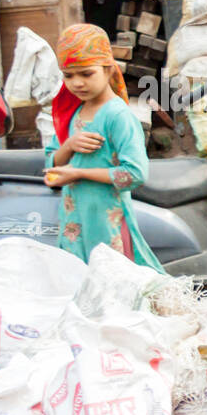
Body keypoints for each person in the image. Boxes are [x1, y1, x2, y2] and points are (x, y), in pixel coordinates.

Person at [42, 24, 164, 272]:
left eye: (86, 74)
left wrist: (79, 173)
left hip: (108, 223)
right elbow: (51, 171)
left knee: (115, 290)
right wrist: (68, 145)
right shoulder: (73, 112)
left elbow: (135, 174)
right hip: (75, 222)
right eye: (69, 75)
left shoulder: (118, 115)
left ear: (109, 70)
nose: (77, 83)